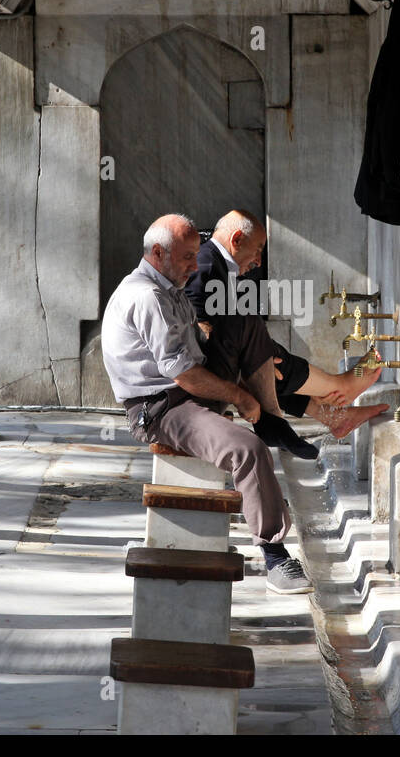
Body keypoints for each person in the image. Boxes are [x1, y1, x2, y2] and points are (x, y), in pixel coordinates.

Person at [101, 213, 314, 594]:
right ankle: (275, 554)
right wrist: (238, 394)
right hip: (163, 408)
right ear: (157, 253)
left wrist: (213, 335)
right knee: (246, 449)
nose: (193, 266)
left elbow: (192, 344)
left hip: (188, 386)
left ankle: (269, 421)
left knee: (242, 320)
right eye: (186, 257)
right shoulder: (147, 296)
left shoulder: (168, 284)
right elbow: (182, 373)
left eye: (195, 256)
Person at [185, 209, 390, 437]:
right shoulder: (207, 268)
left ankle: (332, 415)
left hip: (218, 362)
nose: (258, 261)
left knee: (266, 355)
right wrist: (251, 359)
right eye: (258, 250)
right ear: (237, 240)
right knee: (266, 360)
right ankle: (340, 388)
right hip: (202, 377)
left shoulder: (215, 263)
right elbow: (203, 336)